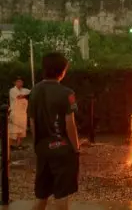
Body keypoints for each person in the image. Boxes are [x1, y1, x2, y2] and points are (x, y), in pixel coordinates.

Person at [28, 52, 80, 210]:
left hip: (43, 149)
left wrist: (37, 145)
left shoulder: (34, 91)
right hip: (63, 150)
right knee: (61, 197)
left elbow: (32, 122)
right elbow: (69, 123)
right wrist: (76, 147)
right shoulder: (68, 93)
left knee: (41, 196)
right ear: (62, 71)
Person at [9, 77, 31, 150]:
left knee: (22, 129)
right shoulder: (12, 90)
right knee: (13, 129)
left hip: (23, 113)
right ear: (15, 83)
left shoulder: (25, 90)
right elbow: (19, 96)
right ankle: (10, 145)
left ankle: (19, 144)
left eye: (21, 82)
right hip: (15, 112)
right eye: (18, 82)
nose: (20, 83)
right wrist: (27, 95)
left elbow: (32, 92)